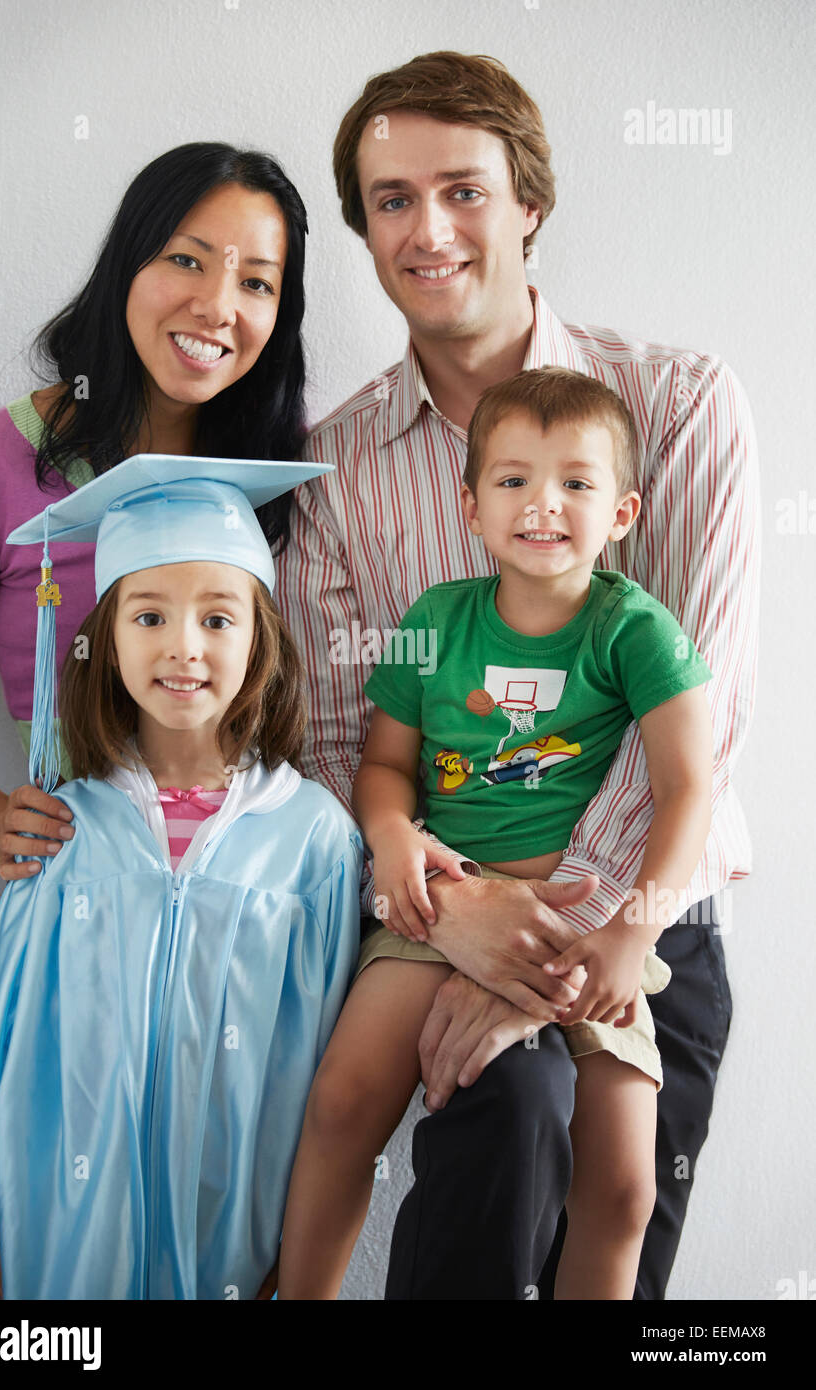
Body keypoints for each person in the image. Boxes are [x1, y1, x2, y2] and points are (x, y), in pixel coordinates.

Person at [274, 52, 758, 1299]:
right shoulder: (337, 473)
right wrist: (452, 911)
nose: (427, 230)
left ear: (528, 202)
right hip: (433, 909)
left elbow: (697, 729)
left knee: (618, 1209)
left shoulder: (675, 404)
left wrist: (547, 944)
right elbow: (337, 743)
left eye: (463, 190)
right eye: (391, 200)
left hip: (640, 924)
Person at [278, 367, 714, 1299]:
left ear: (624, 513)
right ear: (471, 506)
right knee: (343, 1101)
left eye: (575, 483)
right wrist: (392, 837)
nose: (542, 504)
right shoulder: (434, 621)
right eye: (514, 480)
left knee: (625, 1188)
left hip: (583, 934)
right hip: (441, 911)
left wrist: (631, 932)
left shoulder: (635, 631)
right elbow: (382, 763)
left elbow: (689, 789)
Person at [0, 140, 310, 1268]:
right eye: (186, 259)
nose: (219, 306)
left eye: (258, 281)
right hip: (70, 924)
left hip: (233, 940)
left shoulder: (274, 472)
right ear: (126, 266)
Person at [0, 454, 361, 1299]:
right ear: (104, 642)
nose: (184, 647)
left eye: (218, 618)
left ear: (260, 638)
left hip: (236, 1241)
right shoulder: (61, 832)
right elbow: (3, 1050)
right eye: (148, 616)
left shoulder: (313, 838)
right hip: (62, 1248)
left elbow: (330, 1073)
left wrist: (298, 1254)